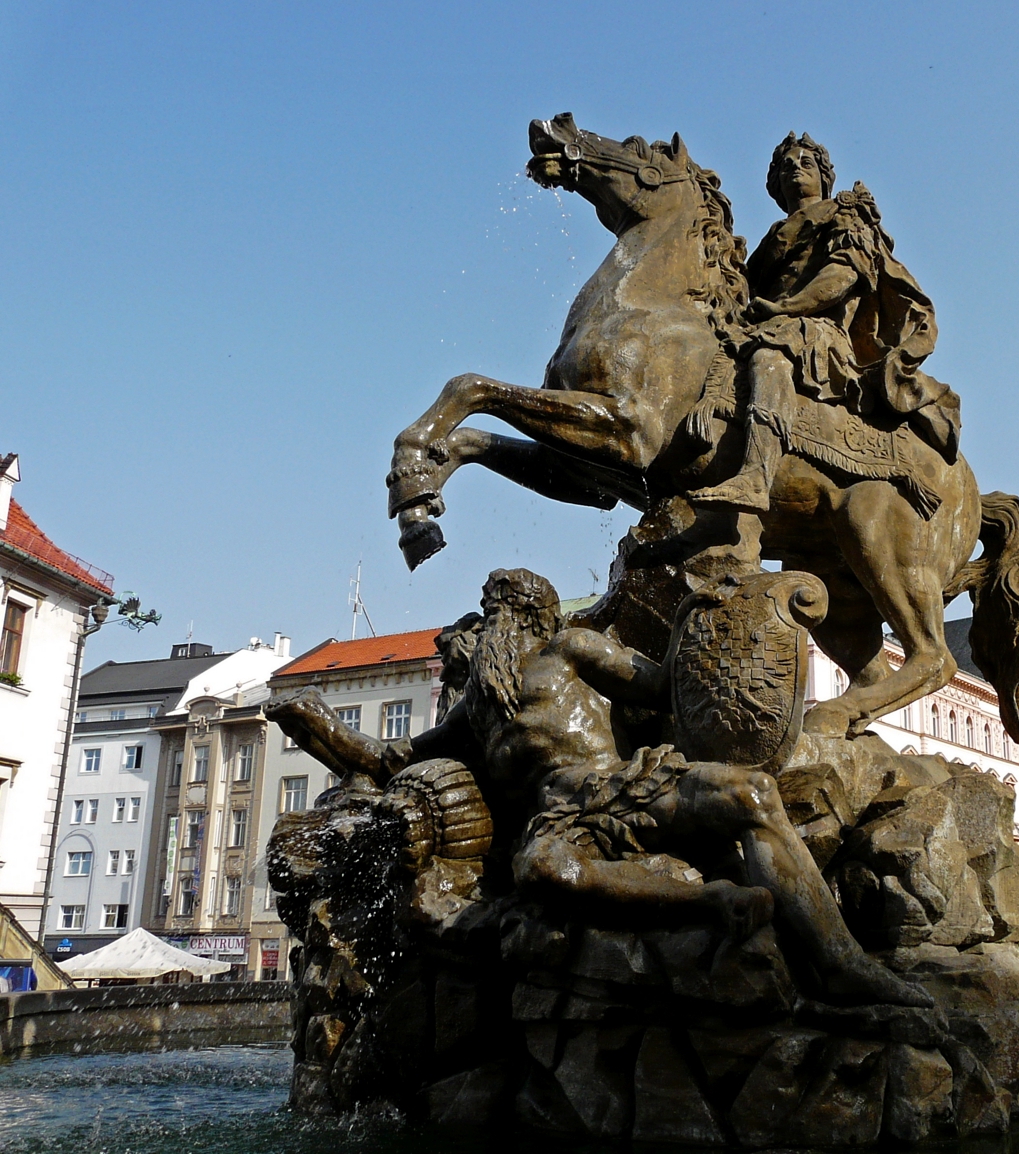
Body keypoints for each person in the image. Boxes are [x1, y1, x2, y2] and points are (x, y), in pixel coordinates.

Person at [271, 567, 930, 1008]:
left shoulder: (571, 651)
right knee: (542, 868)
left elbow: (663, 684)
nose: (493, 619)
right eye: (488, 608)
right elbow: (386, 757)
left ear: (534, 617)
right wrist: (308, 720)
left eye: (505, 607)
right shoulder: (470, 718)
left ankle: (840, 961)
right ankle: (718, 903)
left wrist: (692, 625)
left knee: (748, 795)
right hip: (561, 817)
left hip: (618, 787)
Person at [689, 134, 960, 513]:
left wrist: (786, 307)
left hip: (819, 331)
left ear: (823, 176)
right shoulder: (771, 239)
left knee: (770, 354)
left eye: (805, 163)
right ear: (775, 186)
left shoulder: (844, 213)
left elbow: (842, 276)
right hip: (771, 320)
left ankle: (755, 476)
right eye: (786, 166)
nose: (795, 170)